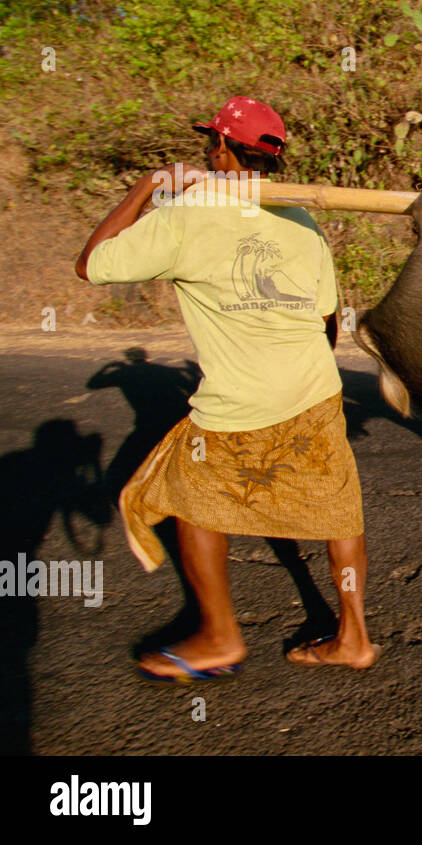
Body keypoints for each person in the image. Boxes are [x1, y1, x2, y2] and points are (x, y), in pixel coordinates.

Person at [75, 96, 376, 681]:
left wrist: (145, 188)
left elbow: (92, 265)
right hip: (316, 386)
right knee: (338, 508)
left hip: (245, 398)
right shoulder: (301, 218)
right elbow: (327, 320)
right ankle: (354, 637)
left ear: (219, 149)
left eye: (208, 143)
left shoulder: (185, 215)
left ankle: (218, 636)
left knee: (193, 495)